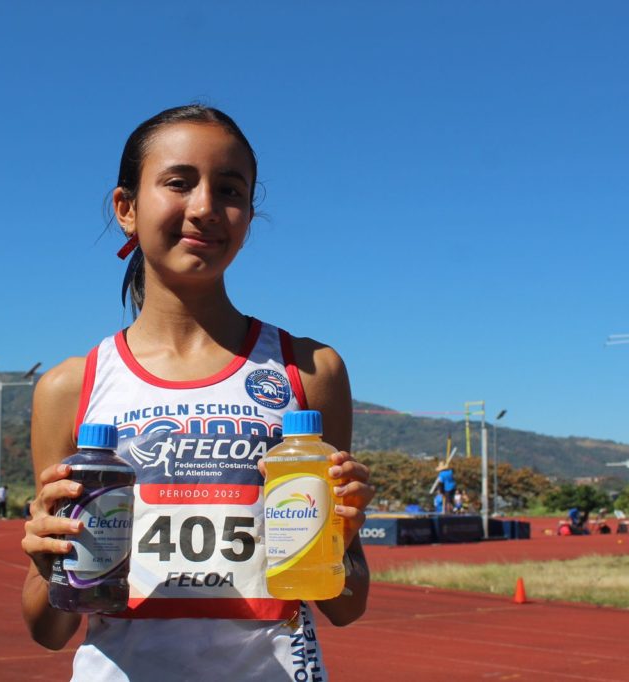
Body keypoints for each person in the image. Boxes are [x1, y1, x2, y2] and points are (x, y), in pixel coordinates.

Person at [20, 105, 373, 680]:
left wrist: (338, 538)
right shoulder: (69, 387)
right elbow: (48, 629)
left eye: (230, 189)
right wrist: (45, 562)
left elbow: (346, 604)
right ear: (126, 209)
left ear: (249, 215)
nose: (206, 207)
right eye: (179, 183)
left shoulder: (310, 371)